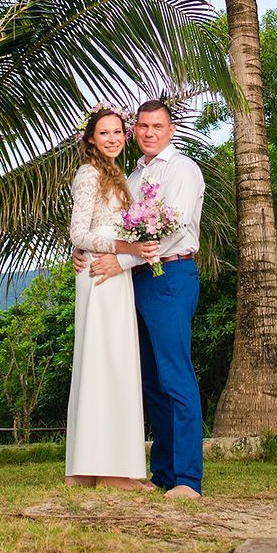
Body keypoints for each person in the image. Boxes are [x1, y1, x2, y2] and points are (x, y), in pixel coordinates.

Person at [80, 98, 206, 498]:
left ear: (171, 130)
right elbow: (117, 226)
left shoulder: (182, 170)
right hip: (140, 280)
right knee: (151, 380)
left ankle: (187, 479)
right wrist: (88, 249)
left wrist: (121, 260)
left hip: (170, 273)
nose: (149, 133)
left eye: (158, 126)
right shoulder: (132, 176)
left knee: (176, 376)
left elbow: (174, 225)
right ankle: (164, 474)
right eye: (143, 127)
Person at [64, 104, 159, 489]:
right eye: (104, 133)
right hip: (101, 277)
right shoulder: (89, 174)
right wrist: (128, 248)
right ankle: (110, 474)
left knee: (108, 363)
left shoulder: (116, 175)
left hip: (111, 273)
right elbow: (78, 233)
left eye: (118, 132)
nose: (113, 139)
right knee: (104, 364)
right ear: (90, 139)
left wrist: (125, 249)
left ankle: (85, 471)